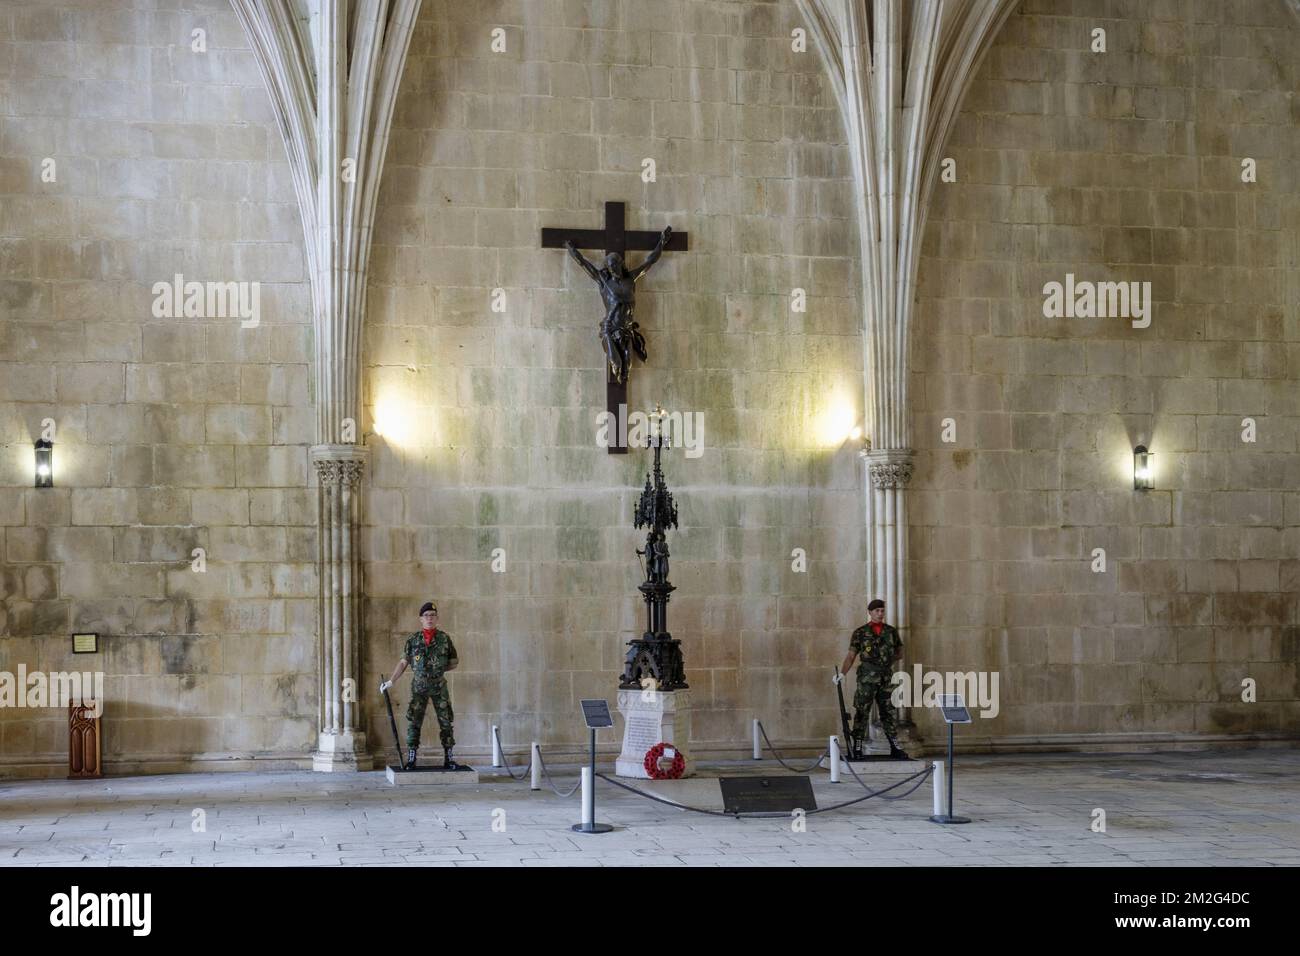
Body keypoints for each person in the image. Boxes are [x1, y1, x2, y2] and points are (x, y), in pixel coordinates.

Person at [381, 601, 459, 769]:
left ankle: (449, 757)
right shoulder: (413, 640)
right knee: (414, 721)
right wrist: (391, 681)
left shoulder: (445, 639)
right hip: (419, 686)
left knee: (445, 720)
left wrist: (437, 670)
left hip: (439, 686)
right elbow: (403, 663)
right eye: (426, 616)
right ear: (420, 619)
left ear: (437, 618)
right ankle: (412, 757)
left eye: (432, 615)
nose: (429, 618)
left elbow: (454, 663)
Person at [835, 598, 909, 759]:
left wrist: (886, 660)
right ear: (870, 612)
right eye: (877, 611)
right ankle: (858, 745)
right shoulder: (860, 633)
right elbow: (851, 656)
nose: (880, 613)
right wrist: (842, 674)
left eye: (882, 610)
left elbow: (900, 653)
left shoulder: (891, 631)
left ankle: (894, 746)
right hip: (867, 679)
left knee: (888, 712)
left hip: (885, 678)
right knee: (862, 711)